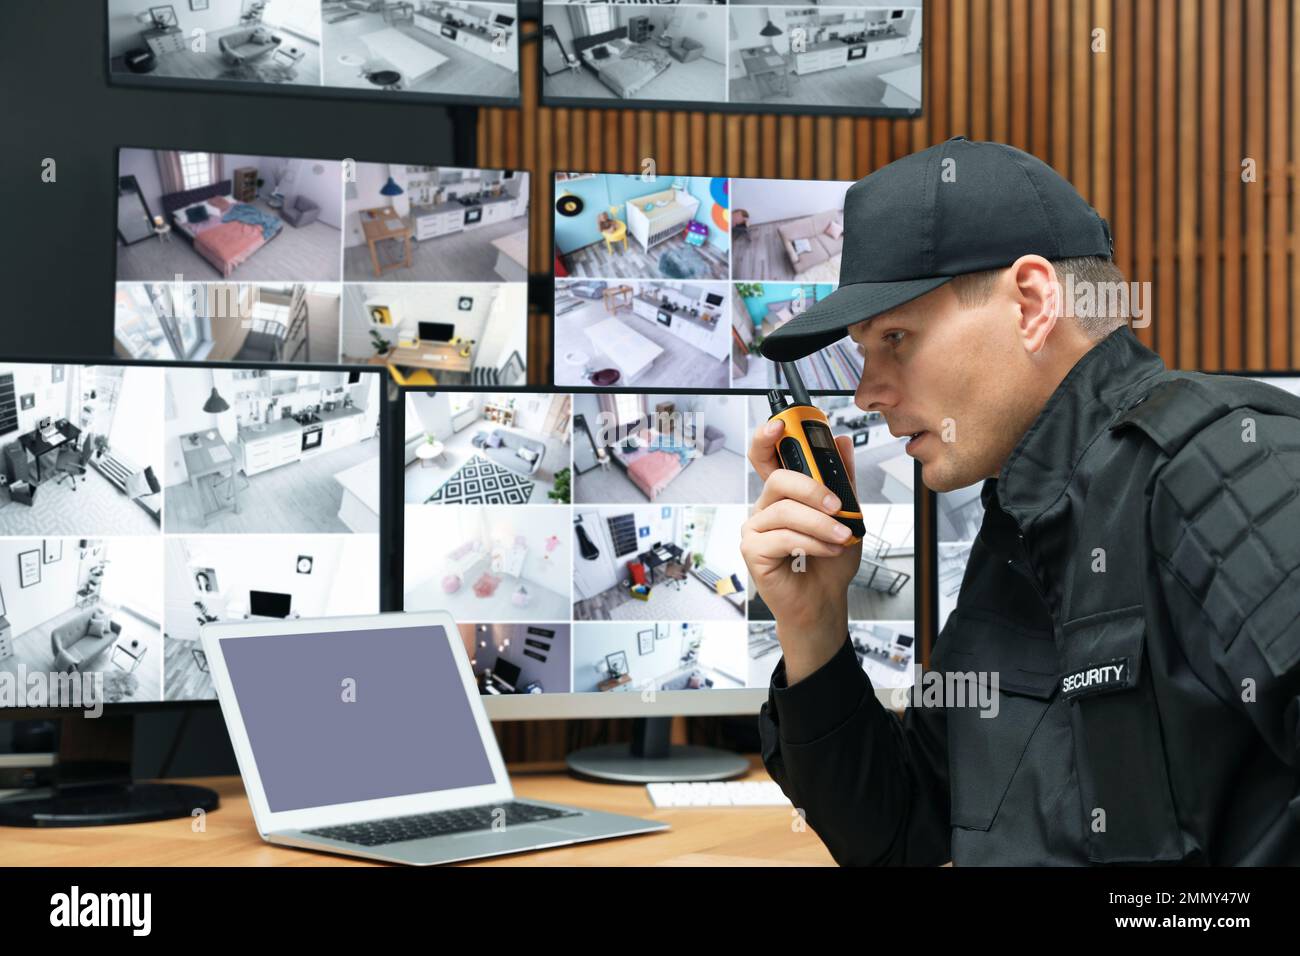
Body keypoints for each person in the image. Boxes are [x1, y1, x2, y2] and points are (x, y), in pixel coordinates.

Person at [743, 136, 1300, 865]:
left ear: (1033, 303)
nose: (865, 391)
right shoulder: (1017, 519)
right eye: (862, 349)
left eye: (896, 338)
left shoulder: (1228, 465)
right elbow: (897, 831)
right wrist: (813, 624)